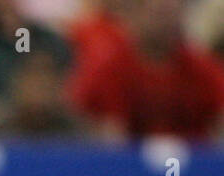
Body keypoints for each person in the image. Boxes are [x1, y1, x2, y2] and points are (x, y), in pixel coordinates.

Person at [71, 0, 224, 141]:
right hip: (129, 163)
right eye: (158, 13)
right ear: (135, 14)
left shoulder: (202, 68)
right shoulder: (111, 68)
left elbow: (219, 119)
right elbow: (107, 130)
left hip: (193, 162)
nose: (164, 22)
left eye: (171, 13)